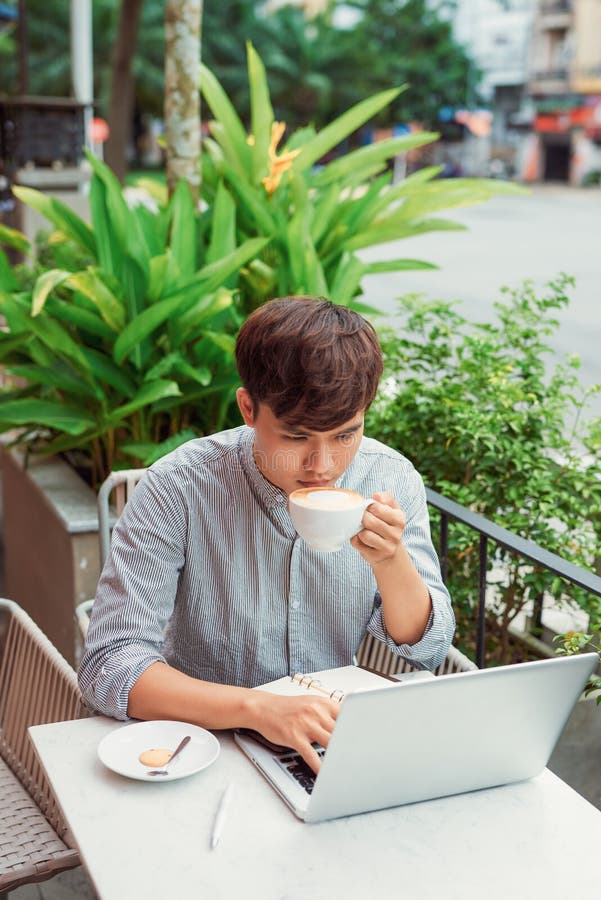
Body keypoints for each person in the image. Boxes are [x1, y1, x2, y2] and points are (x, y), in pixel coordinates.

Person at [79, 296, 454, 773]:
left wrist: (390, 561)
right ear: (248, 408)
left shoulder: (391, 478)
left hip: (328, 744)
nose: (324, 467)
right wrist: (258, 709)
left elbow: (428, 647)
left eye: (345, 435)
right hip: (199, 747)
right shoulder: (179, 486)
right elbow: (110, 666)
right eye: (297, 437)